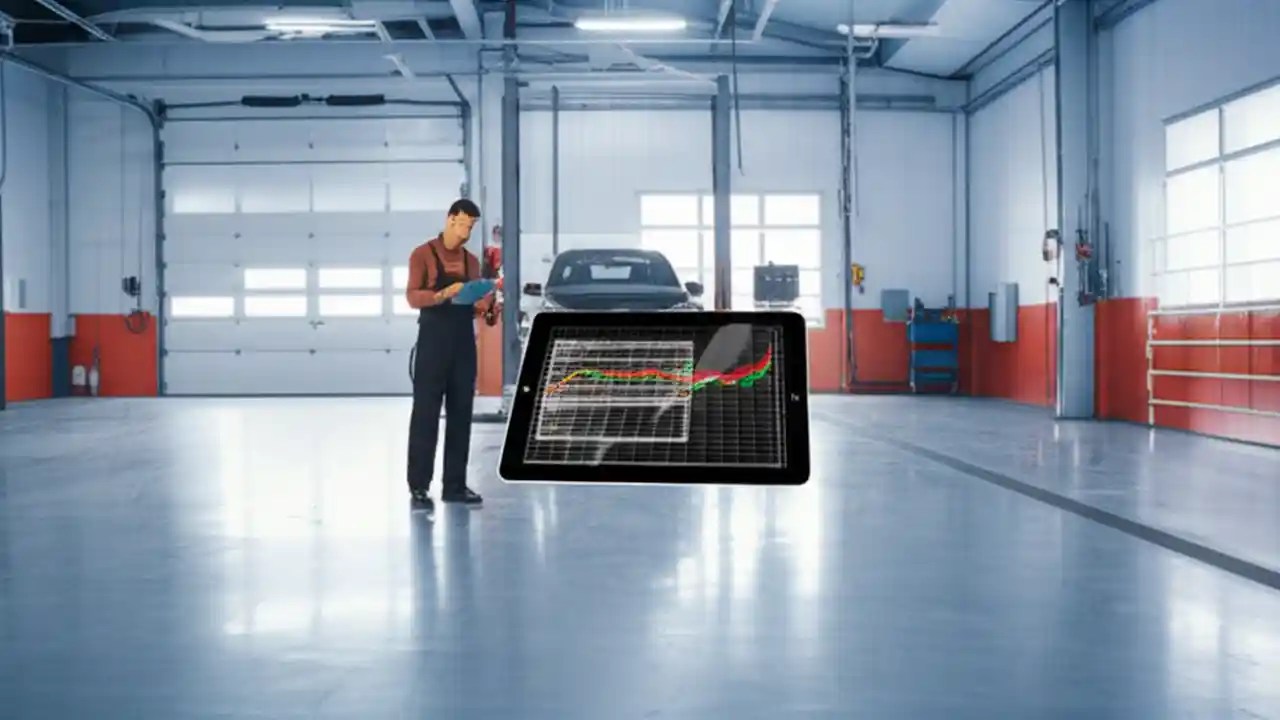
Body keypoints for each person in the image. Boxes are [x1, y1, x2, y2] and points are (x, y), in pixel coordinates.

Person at [405, 199, 494, 509]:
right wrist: (443, 293)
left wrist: (485, 304)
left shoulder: (471, 262)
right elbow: (412, 297)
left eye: (472, 226)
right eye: (464, 224)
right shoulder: (422, 254)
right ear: (450, 219)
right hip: (433, 342)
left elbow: (475, 305)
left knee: (461, 413)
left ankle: (454, 486)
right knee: (425, 414)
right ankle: (419, 486)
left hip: (462, 343)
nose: (467, 231)